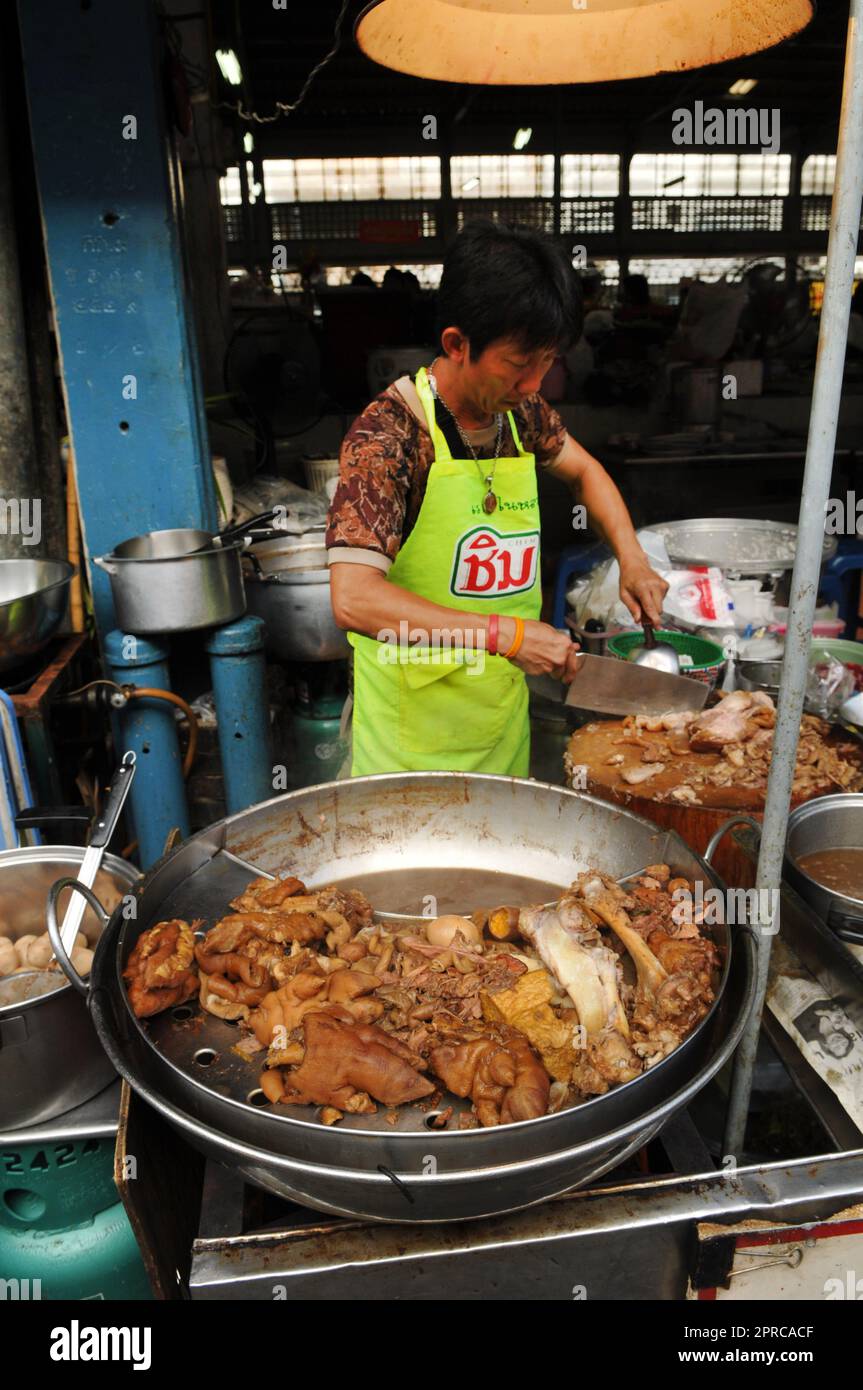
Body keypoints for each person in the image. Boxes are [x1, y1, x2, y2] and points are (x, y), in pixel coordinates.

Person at [326, 220, 668, 777]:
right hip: (411, 740)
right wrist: (506, 636)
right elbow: (354, 599)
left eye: (546, 362)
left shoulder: (519, 414)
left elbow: (585, 473)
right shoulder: (389, 435)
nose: (534, 383)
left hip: (501, 726)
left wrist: (631, 556)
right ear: (458, 345)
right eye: (517, 364)